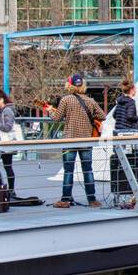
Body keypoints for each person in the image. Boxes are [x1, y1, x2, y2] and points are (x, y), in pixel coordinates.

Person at [46, 74, 104, 208]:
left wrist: (49, 111)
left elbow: (57, 118)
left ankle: (66, 200)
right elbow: (102, 115)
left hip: (70, 140)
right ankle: (92, 200)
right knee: (87, 170)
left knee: (68, 170)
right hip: (86, 139)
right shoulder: (90, 101)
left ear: (69, 85)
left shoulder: (66, 100)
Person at [112, 78, 138, 208]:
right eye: (135, 89)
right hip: (129, 133)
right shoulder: (131, 102)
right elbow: (129, 116)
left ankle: (121, 195)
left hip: (118, 133)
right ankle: (134, 194)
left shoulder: (120, 101)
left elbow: (115, 115)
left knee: (120, 163)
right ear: (132, 90)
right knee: (133, 161)